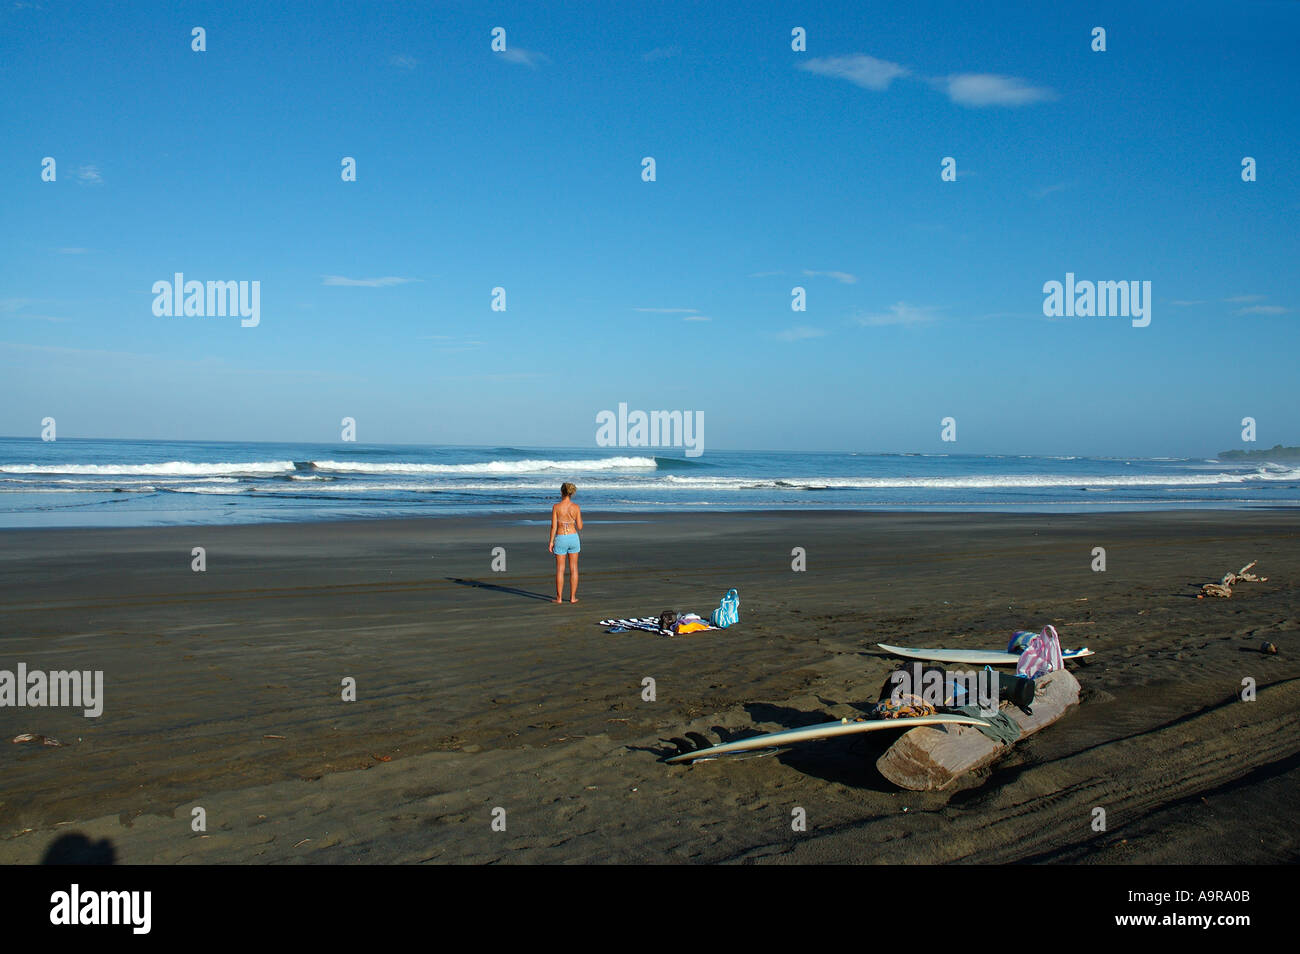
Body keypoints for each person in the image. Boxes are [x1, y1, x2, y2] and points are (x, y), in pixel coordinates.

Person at [548, 482, 582, 603]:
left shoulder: (556, 507)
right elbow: (580, 526)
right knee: (574, 568)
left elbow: (553, 526)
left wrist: (551, 542)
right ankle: (573, 597)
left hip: (561, 537)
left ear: (562, 492)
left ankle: (559, 598)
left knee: (560, 569)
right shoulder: (576, 507)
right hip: (573, 538)